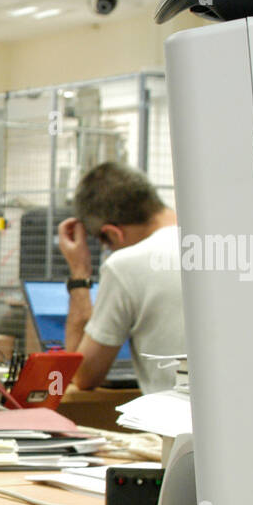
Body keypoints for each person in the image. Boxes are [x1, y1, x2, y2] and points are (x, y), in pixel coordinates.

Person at [56, 162, 184, 394]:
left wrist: (79, 274)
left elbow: (83, 374)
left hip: (178, 427)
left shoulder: (127, 264)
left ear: (114, 233)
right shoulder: (220, 242)